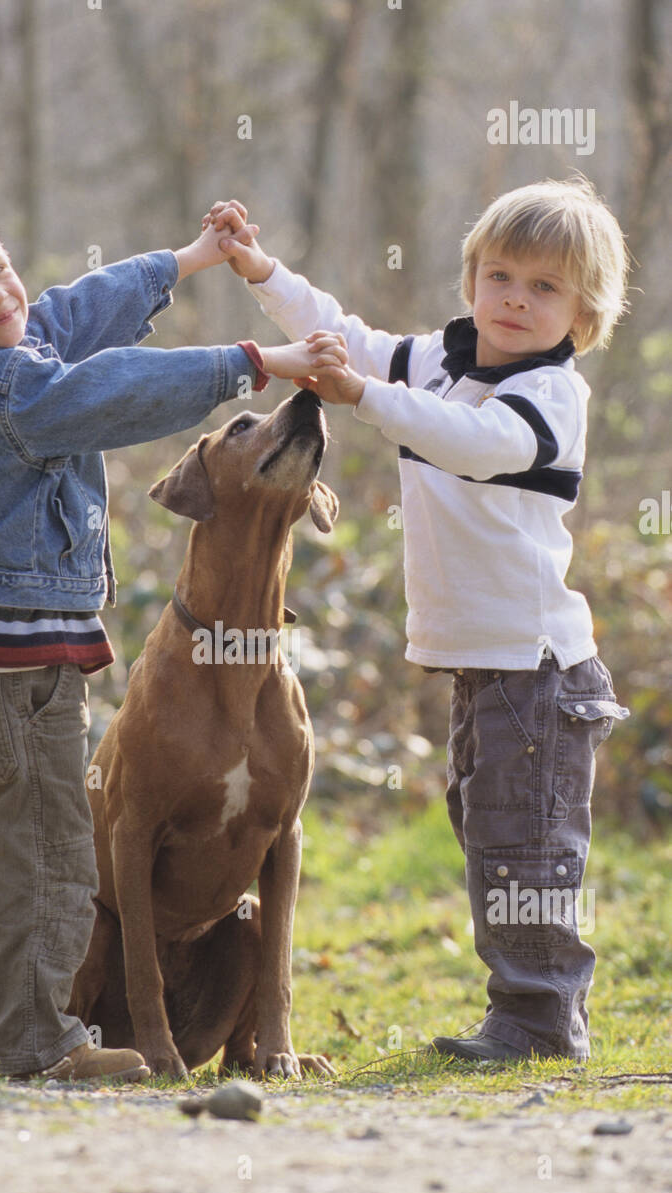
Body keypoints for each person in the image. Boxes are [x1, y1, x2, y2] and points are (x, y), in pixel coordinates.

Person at [0, 193, 346, 1081]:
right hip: (17, 678)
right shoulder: (11, 390)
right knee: (48, 861)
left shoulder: (1, 349)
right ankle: (39, 1041)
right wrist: (253, 361)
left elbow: (76, 310)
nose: (3, 295)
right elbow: (115, 390)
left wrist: (187, 259)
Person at [208, 178, 631, 1062]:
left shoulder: (552, 397)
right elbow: (346, 335)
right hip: (482, 664)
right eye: (499, 275)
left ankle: (541, 1018)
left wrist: (360, 396)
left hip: (538, 664)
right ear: (471, 277)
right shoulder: (444, 357)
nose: (514, 298)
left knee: (530, 844)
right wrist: (263, 272)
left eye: (544, 287)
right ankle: (521, 1006)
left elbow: (469, 443)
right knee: (489, 829)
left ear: (583, 314)